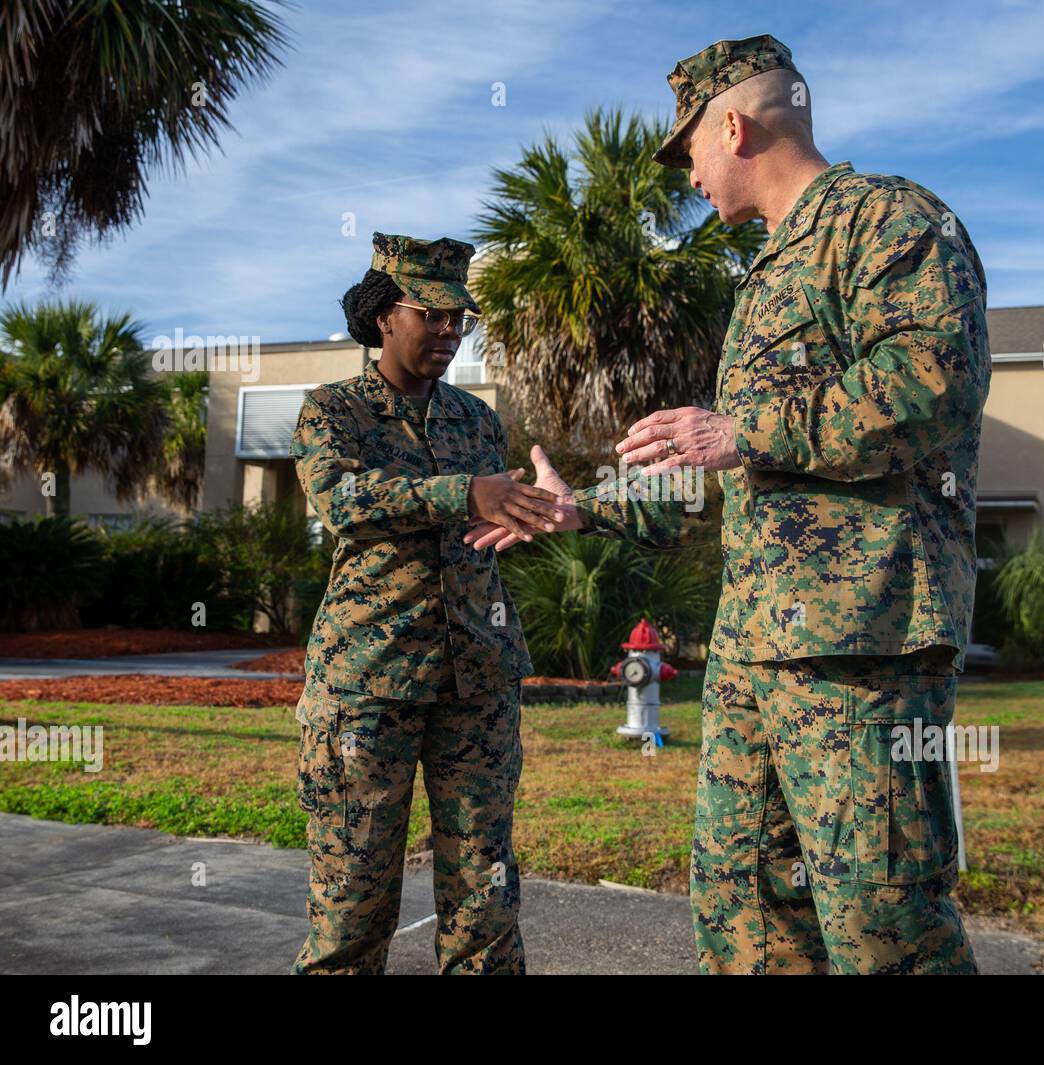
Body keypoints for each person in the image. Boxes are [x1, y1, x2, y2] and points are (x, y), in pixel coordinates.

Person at [465, 35, 989, 974]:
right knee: (743, 909)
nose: (690, 175)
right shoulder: (764, 279)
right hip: (752, 655)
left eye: (690, 152)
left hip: (858, 653)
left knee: (886, 928)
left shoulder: (891, 222)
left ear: (735, 126)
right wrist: (582, 506)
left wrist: (746, 429)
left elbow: (931, 384)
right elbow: (719, 471)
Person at [289, 231, 563, 975]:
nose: (450, 330)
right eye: (431, 313)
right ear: (384, 314)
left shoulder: (477, 420)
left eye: (459, 317)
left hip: (476, 677)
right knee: (353, 895)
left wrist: (526, 512)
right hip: (369, 679)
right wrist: (464, 492)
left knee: (486, 892)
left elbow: (492, 519)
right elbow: (341, 498)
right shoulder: (332, 411)